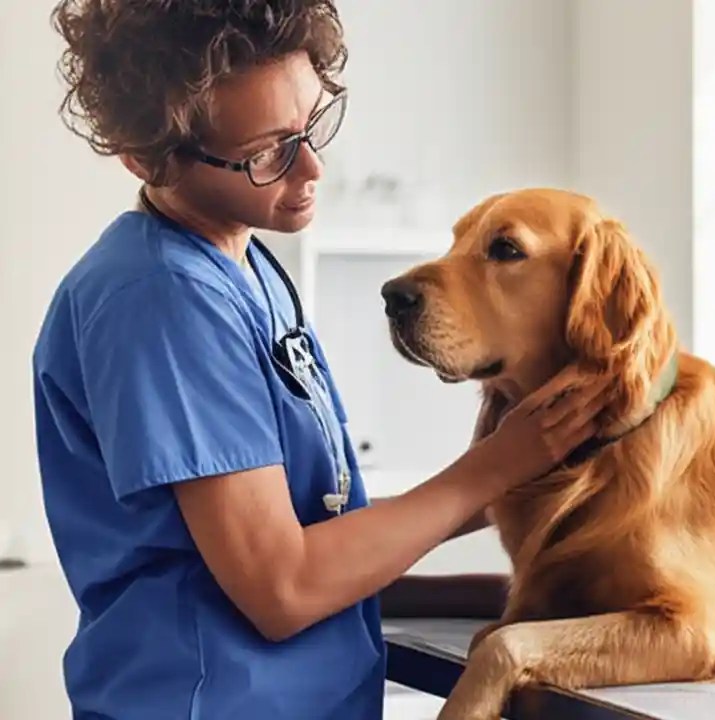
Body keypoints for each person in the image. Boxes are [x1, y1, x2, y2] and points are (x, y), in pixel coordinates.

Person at [32, 1, 609, 718]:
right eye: (268, 150)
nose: (312, 166)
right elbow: (285, 587)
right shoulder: (161, 298)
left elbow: (318, 537)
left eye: (313, 123)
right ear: (146, 154)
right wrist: (493, 468)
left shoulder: (248, 268)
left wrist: (512, 482)